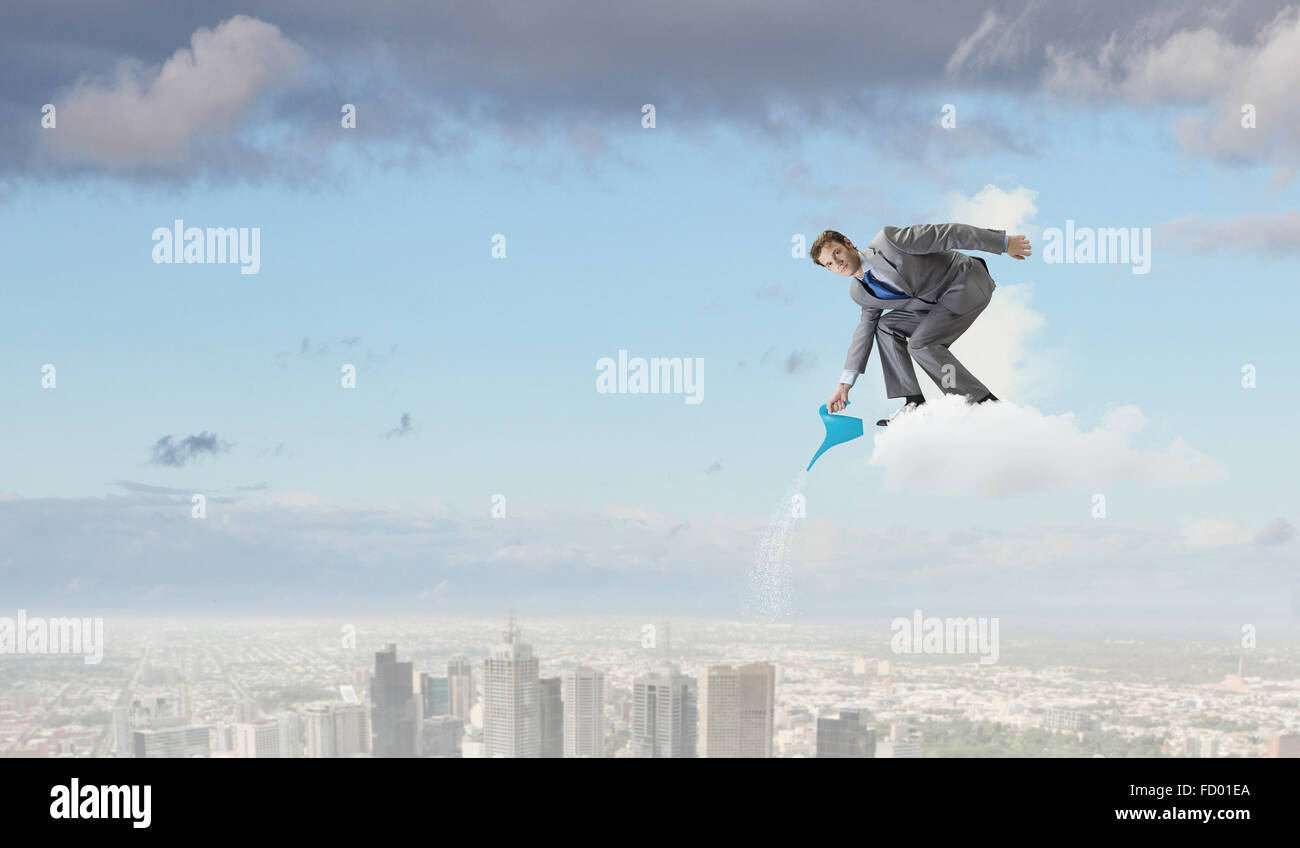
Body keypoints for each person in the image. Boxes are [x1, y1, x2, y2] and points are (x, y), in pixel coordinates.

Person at [811, 224, 1031, 425]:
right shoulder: (859, 293)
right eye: (828, 264)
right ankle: (914, 402)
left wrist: (1003, 243)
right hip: (934, 308)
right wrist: (844, 385)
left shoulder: (889, 242)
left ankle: (983, 403)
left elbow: (948, 234)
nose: (837, 263)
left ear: (848, 243)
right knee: (884, 327)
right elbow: (863, 332)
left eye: (837, 253)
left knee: (920, 344)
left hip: (965, 284)